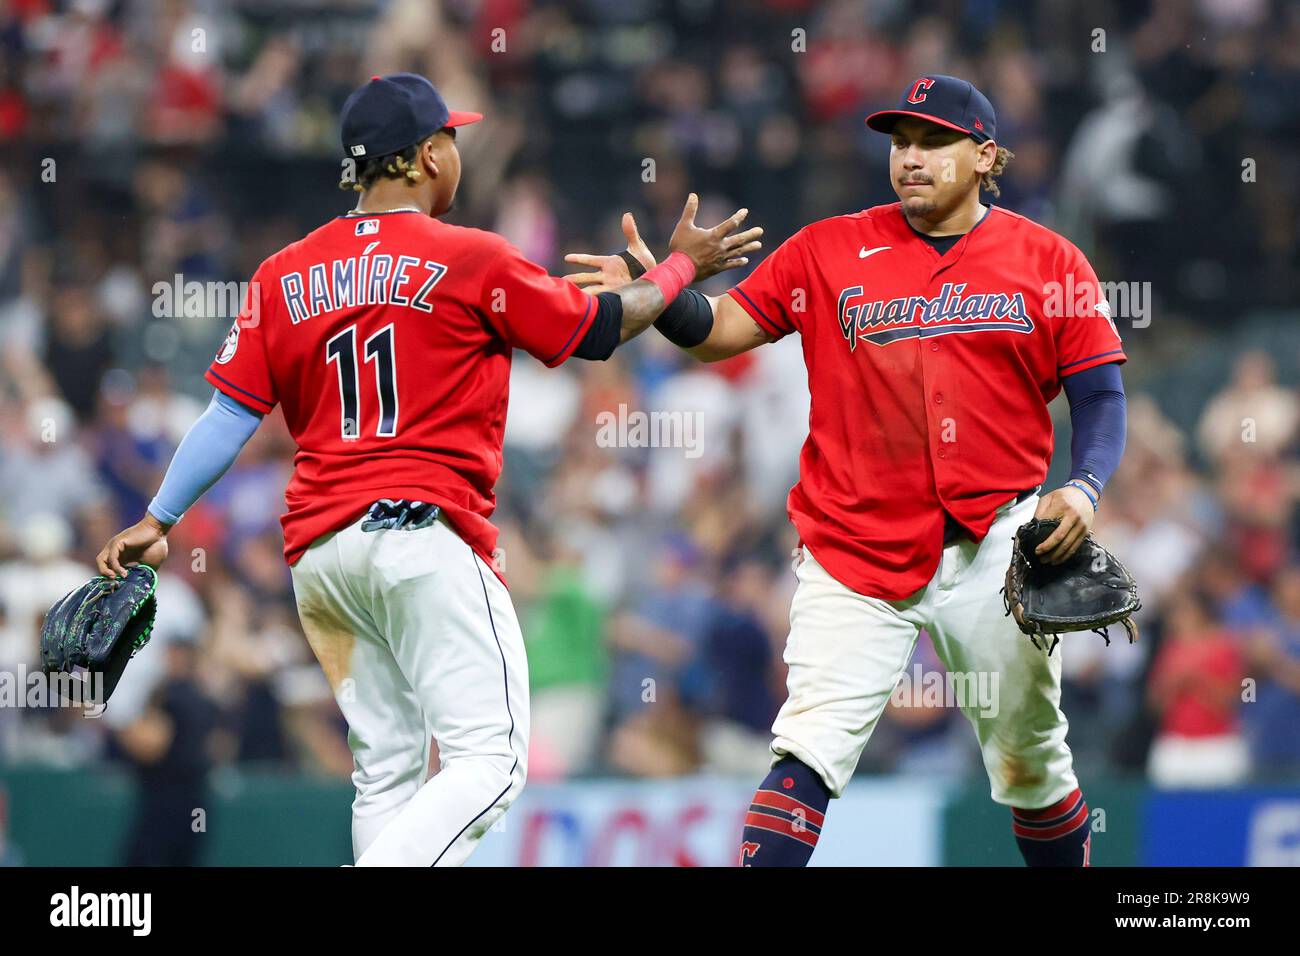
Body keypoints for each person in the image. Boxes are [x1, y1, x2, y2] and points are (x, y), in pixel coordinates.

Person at [94, 72, 760, 866]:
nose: (457, 150)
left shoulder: (283, 272)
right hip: (418, 536)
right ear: (417, 159)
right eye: (449, 138)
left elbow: (229, 414)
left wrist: (159, 516)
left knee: (387, 775)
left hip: (321, 560)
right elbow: (601, 328)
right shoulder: (469, 255)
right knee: (495, 759)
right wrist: (680, 270)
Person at [566, 75, 1128, 866]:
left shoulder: (1047, 258)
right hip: (853, 546)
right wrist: (664, 292)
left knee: (1033, 764)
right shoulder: (829, 248)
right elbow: (721, 332)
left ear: (986, 155)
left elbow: (1100, 393)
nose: (911, 158)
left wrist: (1086, 484)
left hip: (999, 541)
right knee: (807, 749)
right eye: (901, 142)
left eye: (934, 142)